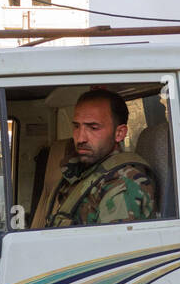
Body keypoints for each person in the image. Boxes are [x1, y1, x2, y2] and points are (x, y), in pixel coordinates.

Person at [46, 89, 158, 227]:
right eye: (76, 126)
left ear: (119, 133)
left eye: (93, 128)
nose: (80, 138)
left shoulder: (124, 183)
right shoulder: (84, 171)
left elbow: (114, 246)